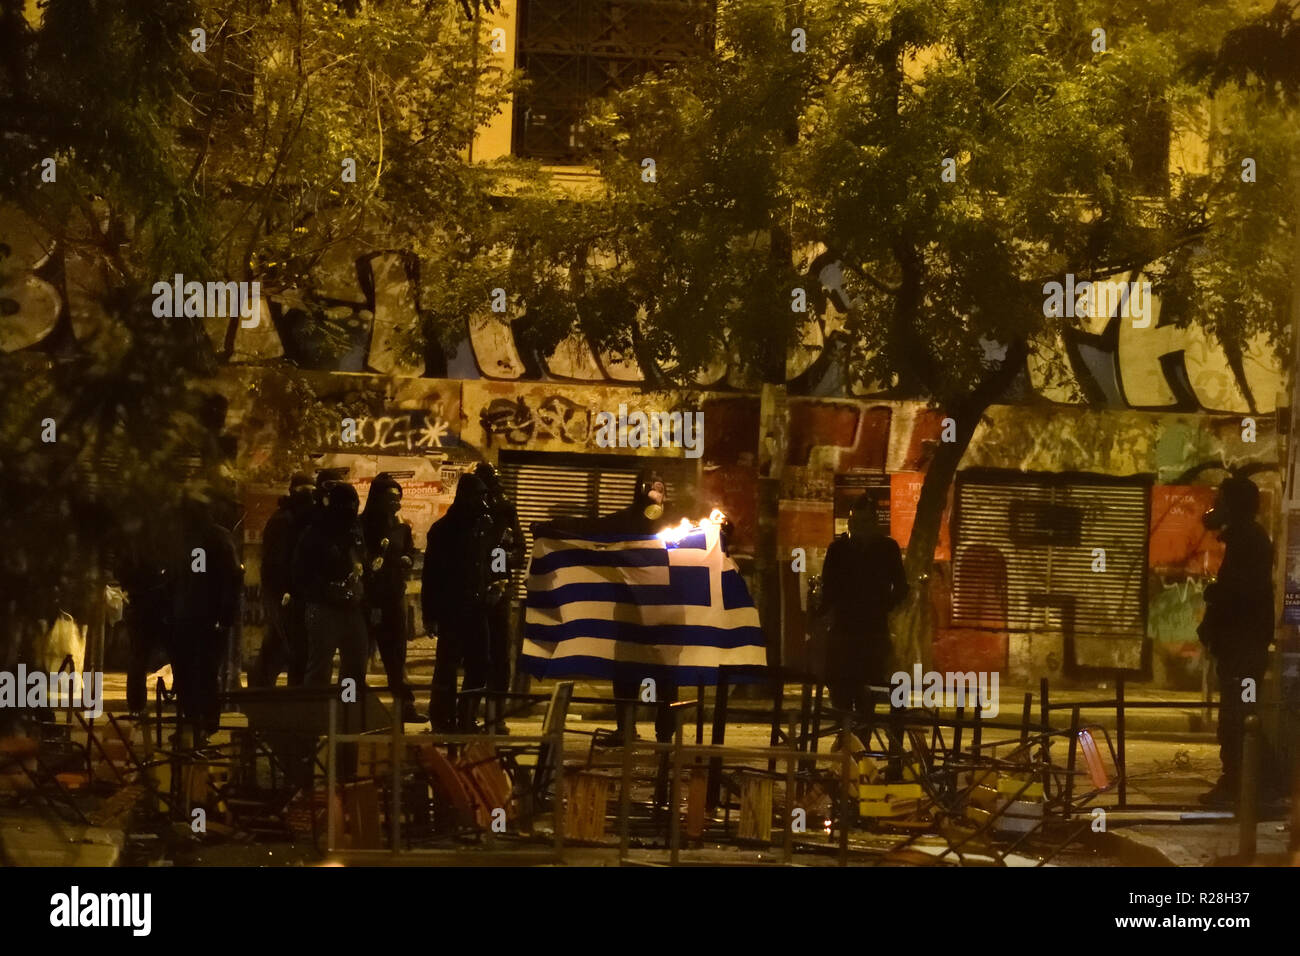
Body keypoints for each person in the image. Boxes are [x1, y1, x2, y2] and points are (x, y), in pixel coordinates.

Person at [536, 467, 678, 745]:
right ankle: (626, 729)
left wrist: (721, 530)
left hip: (661, 614)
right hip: (627, 611)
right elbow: (589, 528)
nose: (657, 494)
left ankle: (664, 734)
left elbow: (704, 539)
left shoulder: (673, 523)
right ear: (641, 489)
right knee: (625, 672)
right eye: (652, 487)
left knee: (664, 676)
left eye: (661, 489)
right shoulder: (625, 521)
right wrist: (550, 527)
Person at [1197, 475, 1276, 807]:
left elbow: (1240, 595)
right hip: (1241, 649)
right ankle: (1248, 783)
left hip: (1244, 651)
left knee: (1239, 716)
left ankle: (1239, 785)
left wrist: (1215, 593)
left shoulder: (1249, 541)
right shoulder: (1246, 539)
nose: (1217, 505)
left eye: (1222, 499)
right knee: (1241, 714)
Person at [819, 495, 909, 717]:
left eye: (864, 522)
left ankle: (858, 738)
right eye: (855, 522)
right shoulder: (838, 549)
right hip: (846, 629)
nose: (858, 528)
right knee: (841, 691)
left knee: (866, 691)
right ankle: (847, 738)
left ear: (873, 524)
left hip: (871, 630)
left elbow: (901, 587)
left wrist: (883, 606)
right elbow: (828, 587)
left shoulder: (886, 548)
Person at [423, 473, 495, 731]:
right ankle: (442, 718)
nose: (483, 501)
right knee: (447, 666)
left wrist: (497, 579)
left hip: (477, 608)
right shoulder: (443, 530)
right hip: (452, 609)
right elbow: (431, 574)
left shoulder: (484, 526)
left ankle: (467, 716)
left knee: (480, 663)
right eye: (479, 495)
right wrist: (430, 614)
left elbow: (495, 556)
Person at [168, 498, 242, 744]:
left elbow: (187, 578)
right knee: (203, 672)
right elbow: (230, 578)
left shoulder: (191, 539)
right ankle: (201, 723)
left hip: (192, 616)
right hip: (200, 616)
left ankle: (196, 723)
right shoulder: (215, 538)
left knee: (195, 672)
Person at [293, 481, 370, 700]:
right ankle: (316, 718)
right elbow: (301, 573)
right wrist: (327, 589)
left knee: (354, 664)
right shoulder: (315, 533)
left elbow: (360, 561)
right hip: (323, 607)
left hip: (352, 606)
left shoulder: (355, 530)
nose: (350, 510)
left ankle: (347, 714)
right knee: (320, 666)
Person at [361, 473, 420, 724]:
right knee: (358, 661)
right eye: (391, 498)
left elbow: (408, 554)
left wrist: (406, 561)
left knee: (396, 659)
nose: (396, 503)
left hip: (394, 600)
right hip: (367, 601)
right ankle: (353, 708)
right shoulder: (362, 526)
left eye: (398, 498)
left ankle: (405, 709)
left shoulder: (401, 528)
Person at [250, 472, 315, 688]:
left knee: (281, 643)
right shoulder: (284, 520)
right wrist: (284, 590)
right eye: (305, 492)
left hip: (291, 592)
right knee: (290, 644)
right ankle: (268, 690)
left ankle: (262, 688)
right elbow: (276, 561)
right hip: (284, 592)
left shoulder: (299, 519)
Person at [475, 462, 525, 717]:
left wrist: (499, 562)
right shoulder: (467, 515)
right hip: (472, 594)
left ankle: (497, 714)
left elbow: (519, 551)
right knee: (474, 654)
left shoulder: (505, 510)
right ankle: (467, 712)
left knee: (499, 654)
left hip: (499, 592)